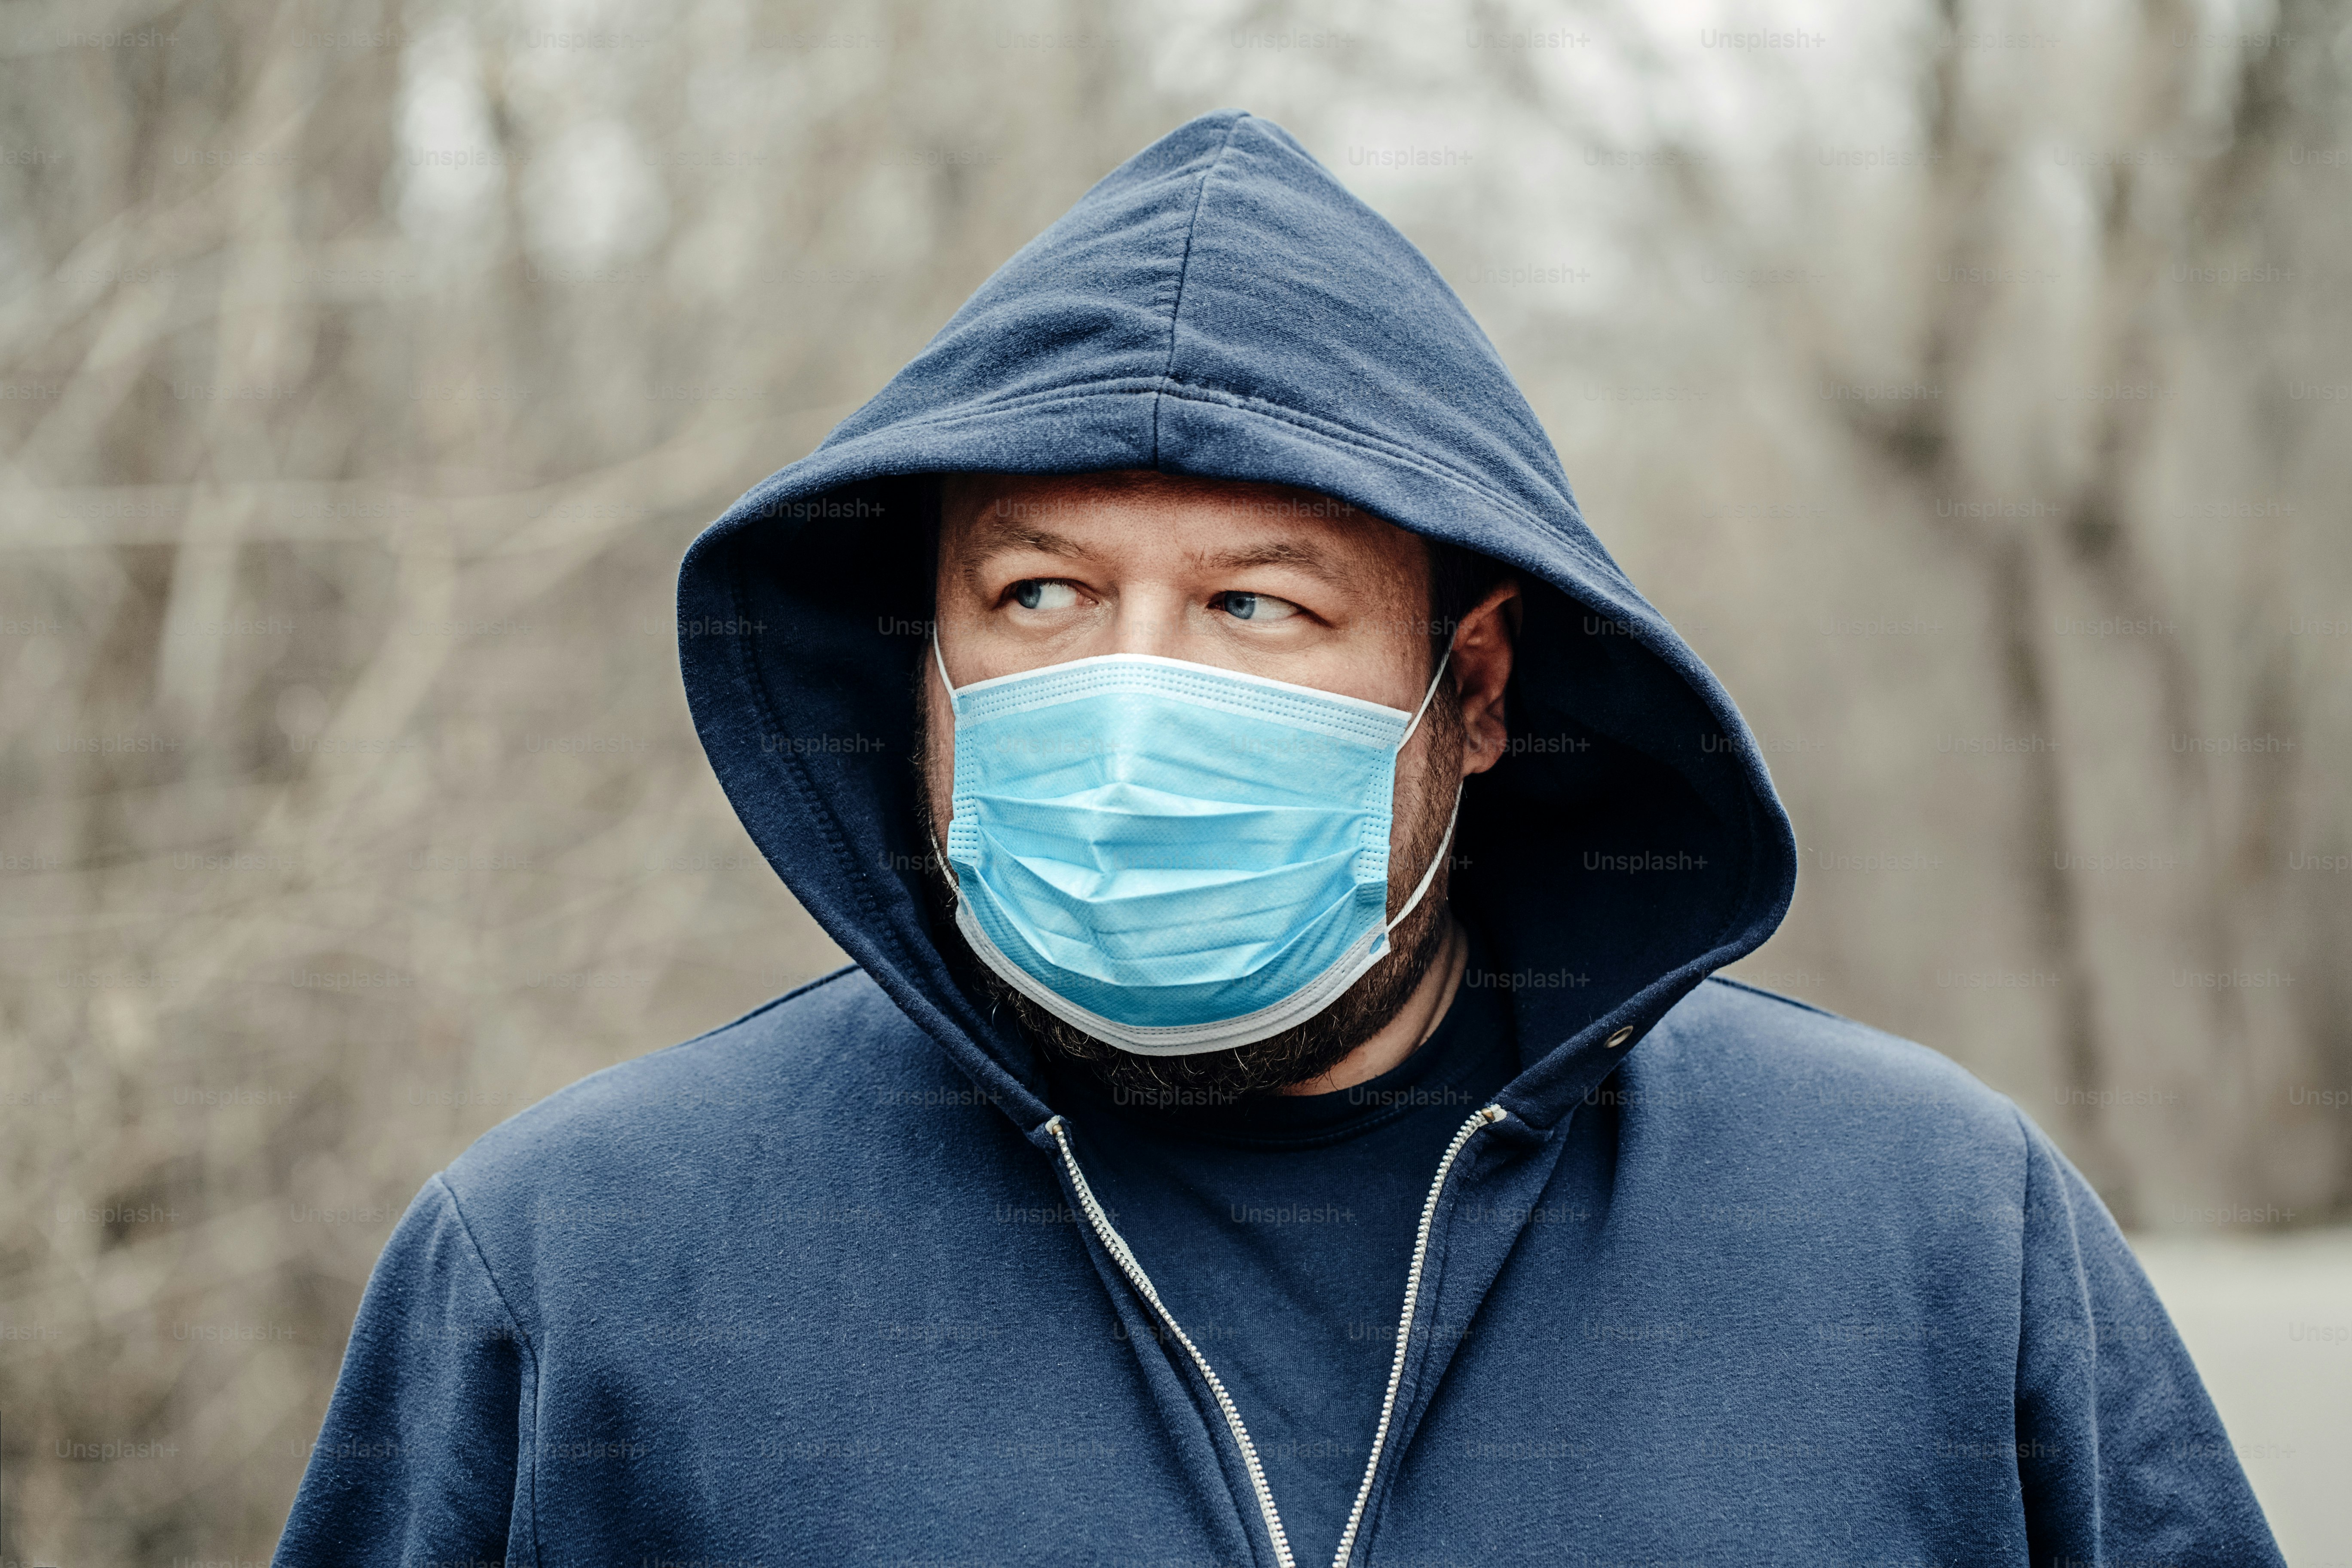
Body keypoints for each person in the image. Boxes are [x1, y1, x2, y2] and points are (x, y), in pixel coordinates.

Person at [277, 110, 2281, 1568]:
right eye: (1042, 598)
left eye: (1260, 607)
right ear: (925, 661)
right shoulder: (581, 1274)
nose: (1136, 708)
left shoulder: (1923, 1245)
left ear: (1476, 694)